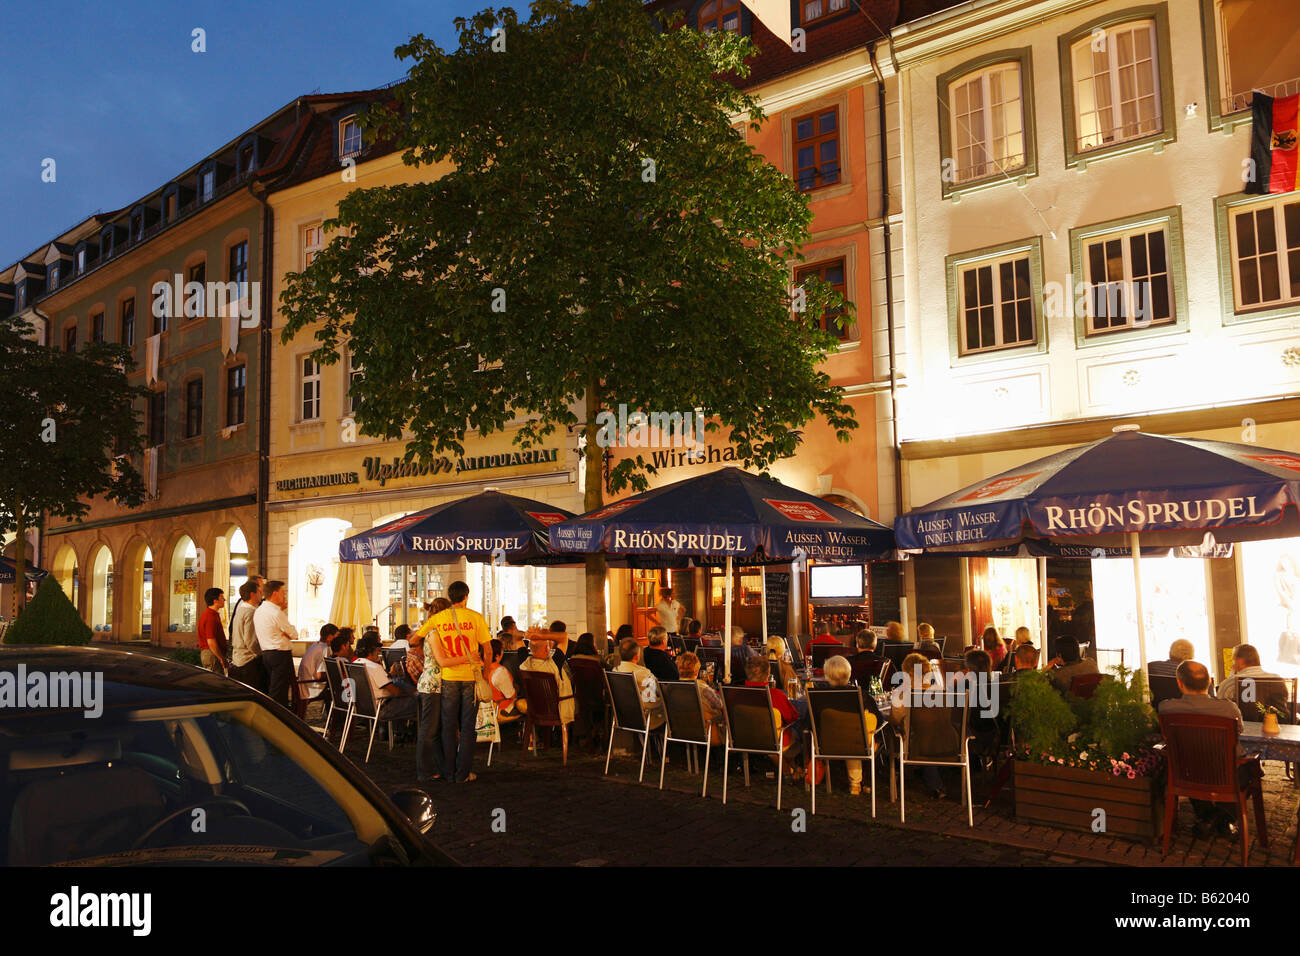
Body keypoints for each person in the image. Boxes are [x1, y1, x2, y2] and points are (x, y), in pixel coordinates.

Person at [1159, 660, 1259, 838]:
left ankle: (1207, 817)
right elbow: (1240, 731)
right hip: (1226, 775)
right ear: (1210, 682)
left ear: (1179, 683)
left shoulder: (1167, 708)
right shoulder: (1228, 709)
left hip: (1187, 774)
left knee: (1192, 766)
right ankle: (1224, 818)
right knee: (1249, 770)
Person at [417, 580, 493, 784]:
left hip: (448, 678)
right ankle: (463, 773)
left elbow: (416, 638)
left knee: (448, 726)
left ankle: (449, 772)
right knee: (468, 727)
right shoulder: (476, 617)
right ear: (466, 596)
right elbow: (488, 649)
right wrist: (485, 674)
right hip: (470, 677)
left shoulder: (439, 618)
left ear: (450, 597)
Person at [888, 652, 955, 799]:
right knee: (927, 732)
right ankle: (935, 783)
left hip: (918, 747)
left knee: (910, 734)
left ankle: (891, 774)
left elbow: (895, 719)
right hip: (949, 743)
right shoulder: (943, 692)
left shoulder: (903, 694)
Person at [822, 655, 879, 796]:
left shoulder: (820, 696)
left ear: (827, 675)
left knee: (849, 733)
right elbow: (879, 720)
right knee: (863, 734)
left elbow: (809, 722)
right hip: (857, 744)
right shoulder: (862, 696)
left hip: (826, 743)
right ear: (849, 673)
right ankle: (859, 782)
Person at [743, 655, 802, 774]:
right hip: (774, 741)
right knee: (799, 730)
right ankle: (793, 769)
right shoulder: (775, 695)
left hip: (743, 738)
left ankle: (791, 770)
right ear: (768, 673)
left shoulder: (737, 693)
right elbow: (792, 717)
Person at [253, 580, 298, 709]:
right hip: (280, 654)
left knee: (274, 686)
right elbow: (293, 634)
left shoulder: (260, 610)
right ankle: (278, 715)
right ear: (275, 594)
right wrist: (286, 633)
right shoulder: (276, 613)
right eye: (282, 592)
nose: (284, 596)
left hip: (267, 653)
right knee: (279, 690)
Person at [355, 632, 417, 721]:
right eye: (377, 650)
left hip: (364, 708)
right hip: (382, 708)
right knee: (420, 701)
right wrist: (411, 692)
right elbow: (396, 692)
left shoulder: (356, 663)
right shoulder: (375, 667)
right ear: (370, 651)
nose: (378, 653)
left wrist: (390, 674)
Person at [413, 611, 445, 783]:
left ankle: (436, 766)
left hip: (432, 683)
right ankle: (425, 770)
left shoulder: (431, 632)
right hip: (433, 684)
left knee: (433, 728)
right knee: (429, 729)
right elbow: (442, 660)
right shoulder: (434, 634)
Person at [1217, 644, 1287, 719]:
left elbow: (1221, 712)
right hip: (1276, 727)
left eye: (1233, 660)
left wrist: (1230, 677)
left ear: (1240, 661)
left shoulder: (1231, 683)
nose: (1232, 665)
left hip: (1244, 729)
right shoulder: (1277, 680)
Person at [520, 632, 576, 724]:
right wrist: (541, 635)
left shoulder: (524, 663)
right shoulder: (554, 662)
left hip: (536, 709)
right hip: (558, 710)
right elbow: (564, 637)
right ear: (547, 649)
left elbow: (515, 638)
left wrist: (528, 634)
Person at [615, 638, 665, 729]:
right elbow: (651, 701)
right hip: (645, 719)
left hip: (622, 716)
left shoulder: (615, 671)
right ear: (636, 656)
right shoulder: (643, 674)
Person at [676, 652, 725, 744]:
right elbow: (720, 705)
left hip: (681, 731)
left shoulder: (672, 687)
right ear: (696, 671)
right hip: (707, 731)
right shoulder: (703, 689)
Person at [228, 579, 267, 692]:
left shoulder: (241, 610)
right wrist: (260, 653)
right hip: (249, 660)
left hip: (239, 658)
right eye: (259, 592)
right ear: (252, 594)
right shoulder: (251, 612)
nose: (261, 595)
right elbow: (251, 641)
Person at [298, 623, 336, 701]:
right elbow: (320, 675)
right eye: (336, 636)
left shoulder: (315, 645)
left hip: (304, 685)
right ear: (329, 637)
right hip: (313, 687)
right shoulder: (325, 648)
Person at [197, 587, 228, 676]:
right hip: (212, 654)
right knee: (216, 681)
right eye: (222, 597)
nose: (224, 600)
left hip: (212, 653)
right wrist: (221, 658)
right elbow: (211, 640)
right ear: (215, 601)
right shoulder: (210, 616)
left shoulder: (211, 614)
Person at [227, 574, 264, 647]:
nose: (263, 589)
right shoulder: (248, 610)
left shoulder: (249, 606)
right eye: (261, 585)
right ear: (253, 593)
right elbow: (249, 639)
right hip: (246, 652)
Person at [486, 639, 520, 716]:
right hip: (502, 709)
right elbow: (510, 695)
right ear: (497, 656)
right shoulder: (500, 671)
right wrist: (517, 690)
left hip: (487, 709)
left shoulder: (482, 668)